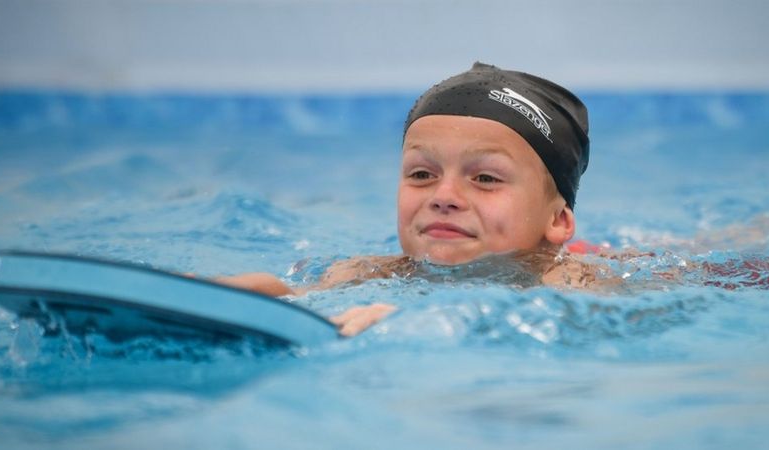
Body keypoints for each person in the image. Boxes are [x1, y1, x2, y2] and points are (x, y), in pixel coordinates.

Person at [216, 62, 599, 336]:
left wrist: (419, 320)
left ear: (558, 221)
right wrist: (258, 292)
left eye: (485, 178)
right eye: (421, 175)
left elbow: (572, 322)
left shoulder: (568, 279)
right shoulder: (376, 271)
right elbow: (303, 300)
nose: (444, 197)